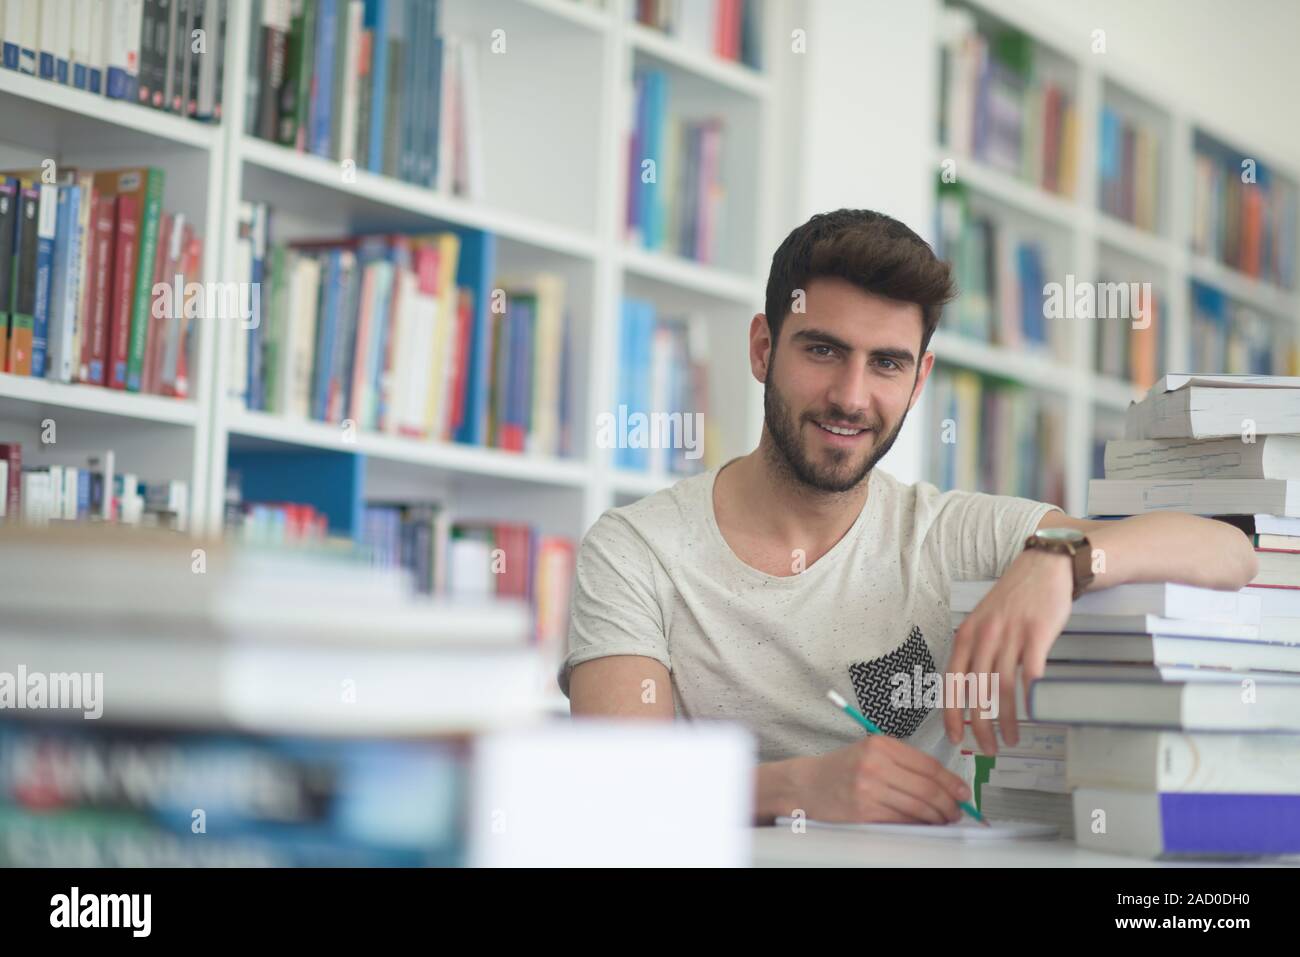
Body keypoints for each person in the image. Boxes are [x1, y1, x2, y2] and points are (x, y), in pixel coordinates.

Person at [562, 209, 1257, 826]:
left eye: (886, 363)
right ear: (763, 349)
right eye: (823, 349)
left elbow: (1229, 551)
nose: (851, 395)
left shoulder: (948, 533)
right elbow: (614, 786)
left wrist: (1059, 556)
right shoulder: (635, 549)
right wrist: (798, 786)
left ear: (919, 380)